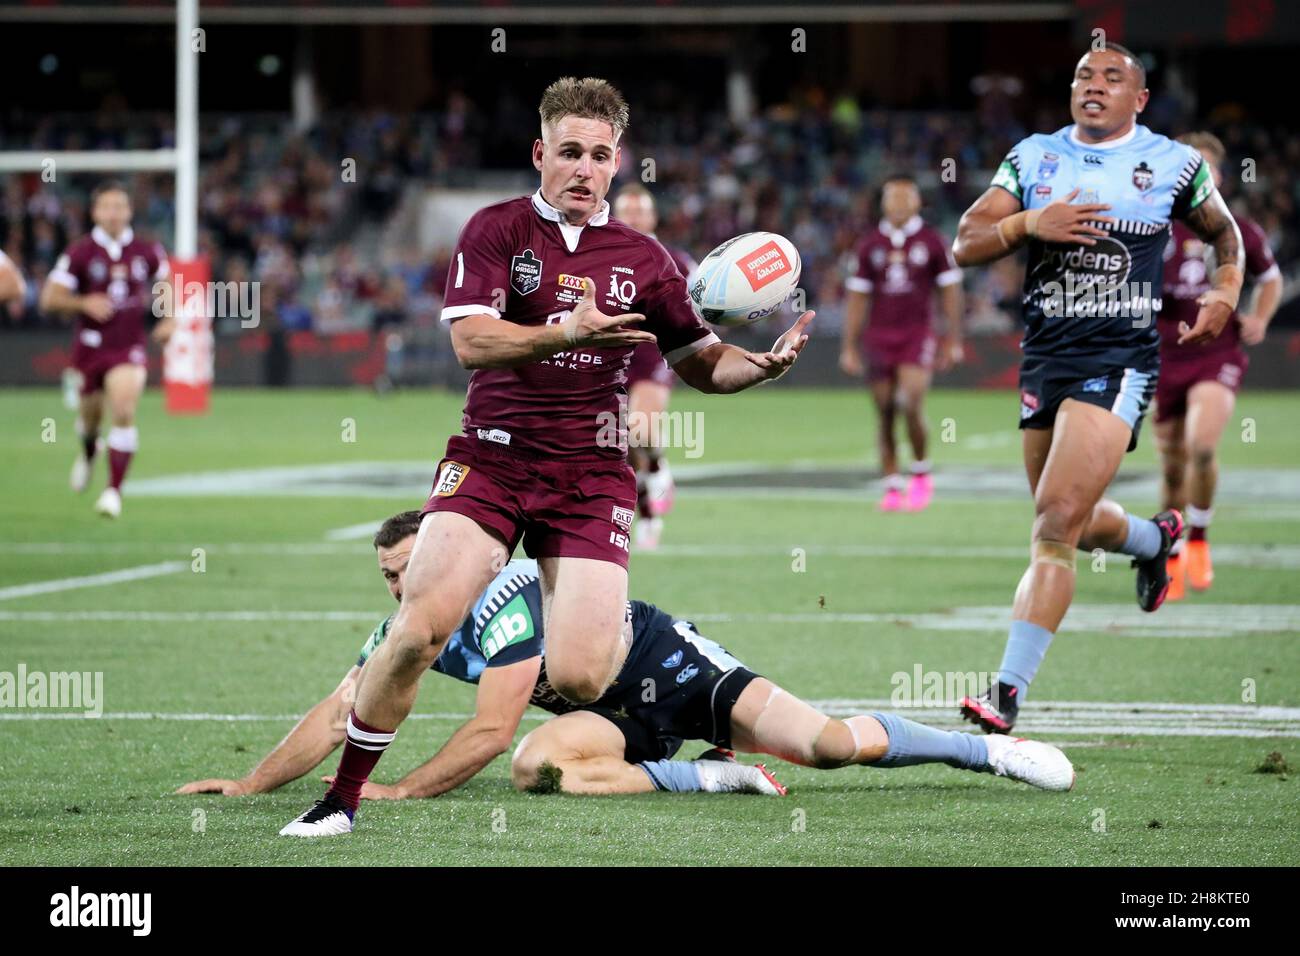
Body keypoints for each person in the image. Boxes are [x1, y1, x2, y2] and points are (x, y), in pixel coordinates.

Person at [284, 77, 814, 835]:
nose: (583, 169)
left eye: (599, 156)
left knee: (580, 673)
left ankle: (679, 743)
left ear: (616, 163)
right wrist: (568, 332)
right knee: (419, 630)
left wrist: (755, 367)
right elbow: (472, 342)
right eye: (569, 152)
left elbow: (701, 360)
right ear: (541, 153)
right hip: (492, 458)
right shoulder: (497, 230)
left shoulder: (646, 257)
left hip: (592, 472)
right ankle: (341, 799)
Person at [178, 512, 1074, 831]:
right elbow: (342, 712)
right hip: (608, 716)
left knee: (830, 747)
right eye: (387, 576)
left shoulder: (503, 599)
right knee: (543, 767)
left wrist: (404, 794)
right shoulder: (409, 629)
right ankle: (710, 779)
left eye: (409, 569)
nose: (399, 586)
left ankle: (983, 753)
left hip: (667, 668)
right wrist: (254, 783)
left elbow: (491, 727)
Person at [951, 44, 1243, 732]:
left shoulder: (1175, 163)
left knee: (1053, 526)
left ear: (1139, 99)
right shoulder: (1033, 158)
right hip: (1044, 357)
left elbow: (1225, 237)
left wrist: (1226, 294)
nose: (1095, 85)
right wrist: (1028, 224)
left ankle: (1005, 695)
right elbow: (964, 242)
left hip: (1118, 360)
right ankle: (1151, 538)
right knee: (1069, 524)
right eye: (1086, 75)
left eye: (1114, 78)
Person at [1154, 132, 1283, 600]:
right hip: (1163, 354)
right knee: (1170, 467)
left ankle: (1201, 537)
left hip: (1216, 353)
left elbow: (1270, 278)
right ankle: (1167, 552)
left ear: (1219, 176)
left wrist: (1261, 317)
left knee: (1201, 446)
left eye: (1206, 168)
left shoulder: (1238, 229)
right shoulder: (1152, 224)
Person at [39, 181, 174, 519]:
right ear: (95, 212)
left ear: (129, 211)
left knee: (124, 410)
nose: (113, 213)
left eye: (120, 206)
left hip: (128, 347)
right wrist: (83, 301)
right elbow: (49, 299)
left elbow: (167, 285)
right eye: (107, 207)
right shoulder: (79, 253)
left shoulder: (147, 250)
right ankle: (88, 452)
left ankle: (113, 491)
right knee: (89, 420)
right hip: (89, 350)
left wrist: (170, 318)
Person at [840, 174, 965, 512]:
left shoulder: (932, 240)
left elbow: (950, 290)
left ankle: (921, 472)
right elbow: (857, 298)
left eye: (904, 198)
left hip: (917, 334)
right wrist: (849, 346)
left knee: (911, 401)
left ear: (916, 202)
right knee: (884, 411)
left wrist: (952, 338)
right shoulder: (869, 244)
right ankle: (893, 484)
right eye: (891, 198)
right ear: (883, 203)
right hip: (879, 337)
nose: (897, 204)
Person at [611, 183, 697, 549]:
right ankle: (647, 511)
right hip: (612, 351)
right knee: (620, 444)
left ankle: (659, 464)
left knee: (640, 428)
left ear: (652, 216)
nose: (632, 216)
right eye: (625, 210)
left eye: (639, 210)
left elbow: (700, 306)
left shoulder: (675, 259)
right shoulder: (599, 254)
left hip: (656, 351)